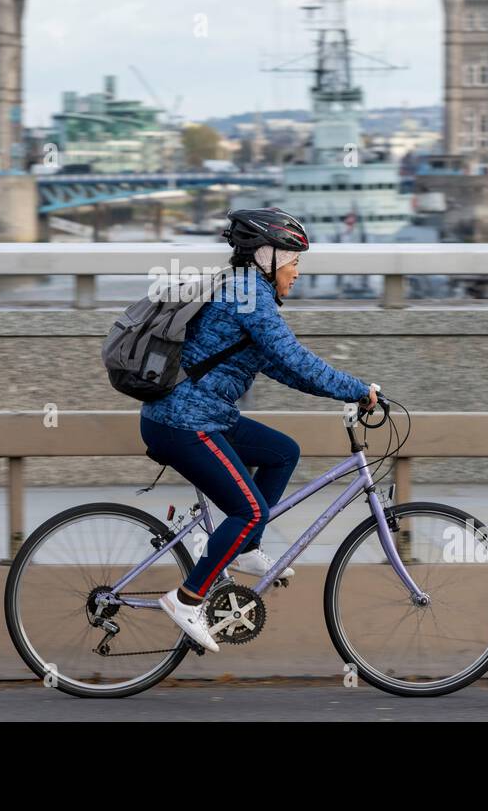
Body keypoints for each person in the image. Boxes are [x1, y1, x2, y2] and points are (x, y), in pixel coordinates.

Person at [141, 208, 380, 652]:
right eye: (293, 261)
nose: (297, 272)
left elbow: (280, 368)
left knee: (281, 453)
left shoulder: (249, 293)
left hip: (203, 414)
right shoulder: (250, 293)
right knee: (250, 508)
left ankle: (245, 547)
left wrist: (343, 393)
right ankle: (187, 599)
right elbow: (295, 358)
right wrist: (357, 388)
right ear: (267, 257)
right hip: (184, 422)